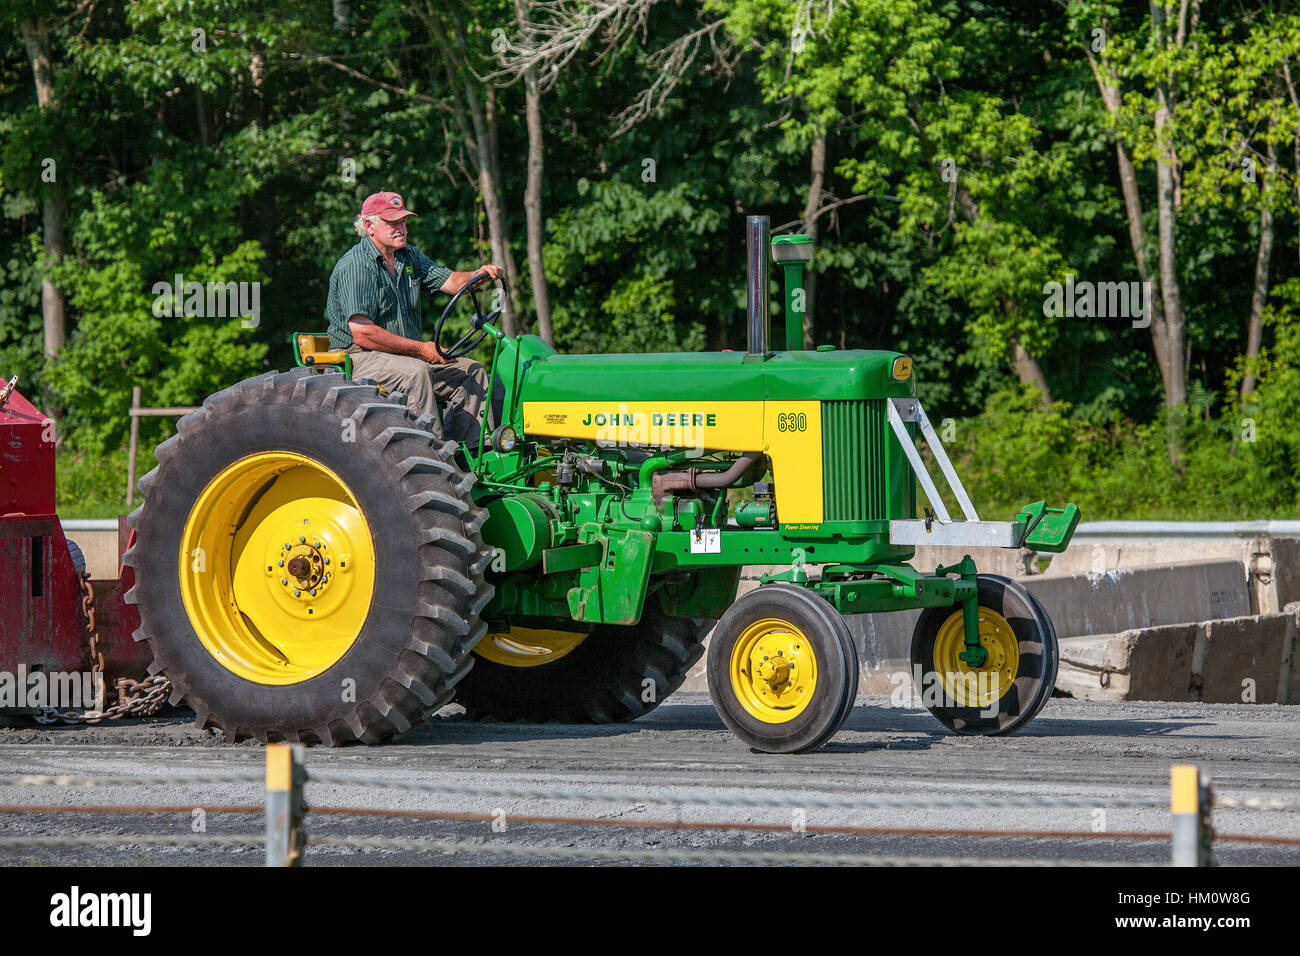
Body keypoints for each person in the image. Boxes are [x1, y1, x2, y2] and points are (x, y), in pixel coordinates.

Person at [325, 191, 504, 446]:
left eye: (403, 222)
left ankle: (474, 455)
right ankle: (435, 461)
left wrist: (478, 275)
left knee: (471, 371)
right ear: (369, 226)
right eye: (392, 223)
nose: (401, 229)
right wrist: (421, 349)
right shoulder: (356, 265)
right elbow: (362, 333)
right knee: (416, 373)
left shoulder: (407, 256)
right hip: (357, 357)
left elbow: (451, 281)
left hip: (402, 357)